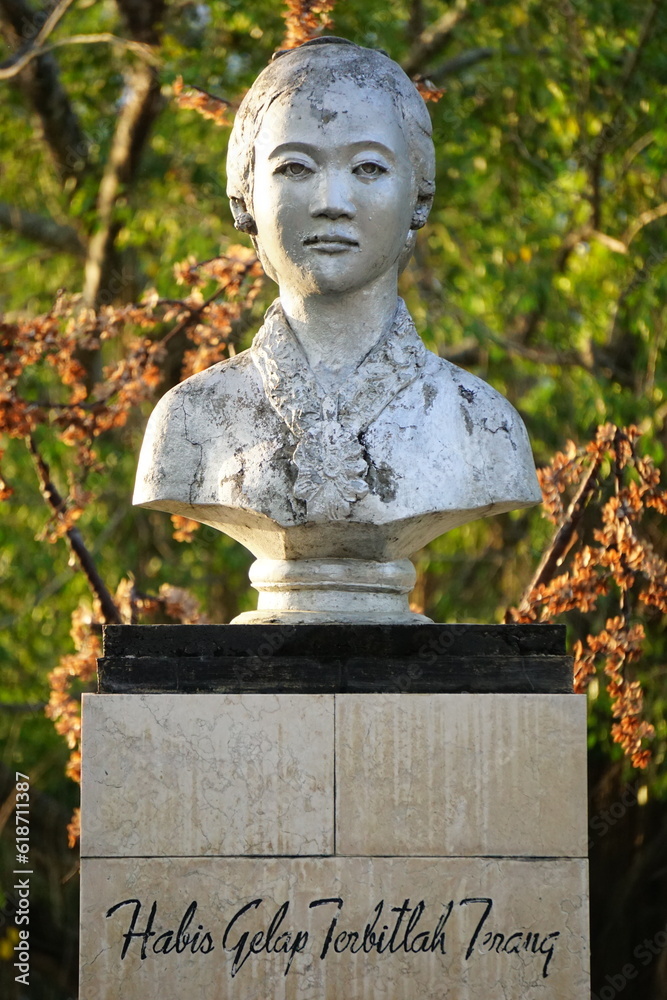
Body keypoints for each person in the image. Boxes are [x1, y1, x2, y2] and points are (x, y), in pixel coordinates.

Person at [134, 38, 541, 622]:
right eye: (295, 167)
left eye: (369, 167)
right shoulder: (191, 422)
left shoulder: (482, 426)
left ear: (418, 195)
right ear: (245, 195)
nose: (333, 201)